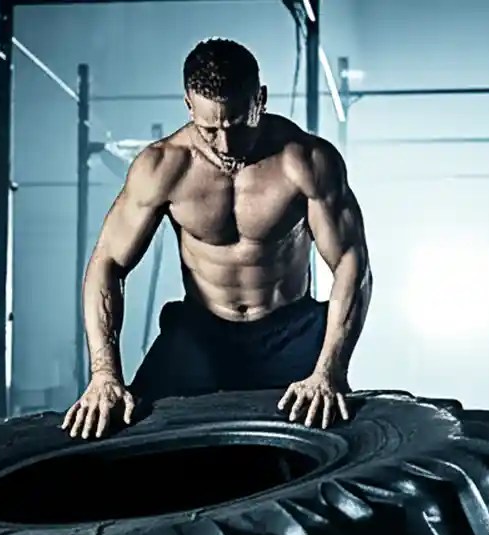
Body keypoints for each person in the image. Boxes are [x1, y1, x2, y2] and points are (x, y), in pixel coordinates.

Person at [61, 37, 372, 439]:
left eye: (239, 125)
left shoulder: (306, 162)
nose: (226, 145)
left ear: (260, 100)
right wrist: (104, 375)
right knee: (125, 431)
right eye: (209, 130)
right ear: (189, 106)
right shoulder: (162, 168)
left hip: (289, 330)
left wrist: (330, 369)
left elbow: (350, 262)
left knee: (327, 431)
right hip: (201, 334)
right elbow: (107, 262)